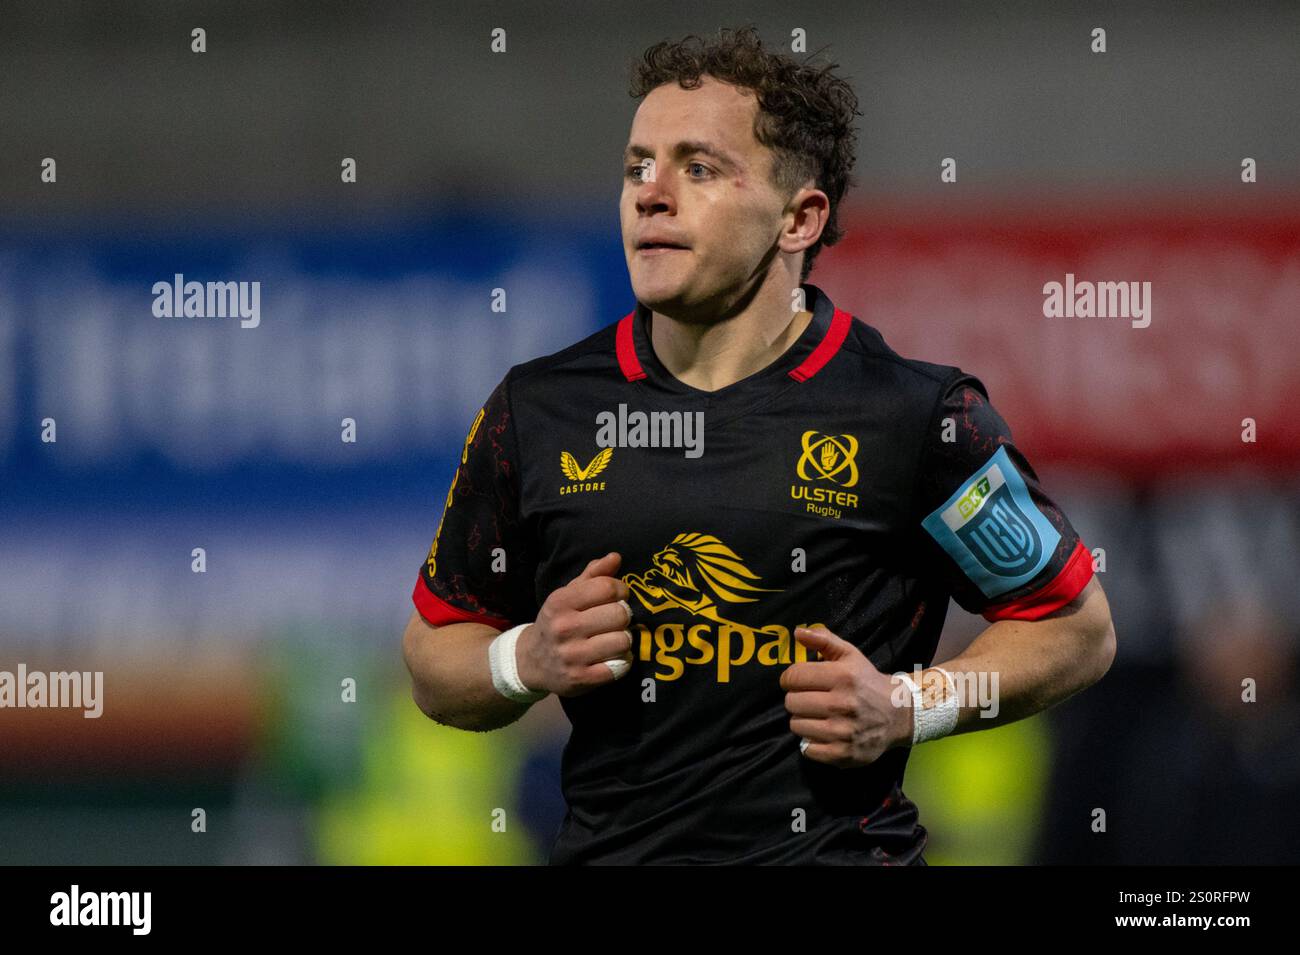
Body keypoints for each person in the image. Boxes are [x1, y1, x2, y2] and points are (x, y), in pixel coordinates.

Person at [402, 26, 1115, 865]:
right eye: (637, 166)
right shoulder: (540, 409)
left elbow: (1077, 629)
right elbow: (433, 657)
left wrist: (908, 704)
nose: (650, 194)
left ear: (798, 217)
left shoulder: (918, 416)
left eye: (697, 168)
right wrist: (525, 656)